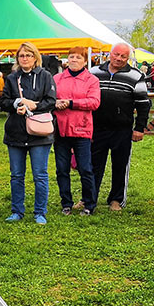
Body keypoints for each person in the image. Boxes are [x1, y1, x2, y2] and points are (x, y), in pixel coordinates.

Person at [89, 43, 151, 212]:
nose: (118, 58)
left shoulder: (135, 75)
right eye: (116, 54)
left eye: (123, 56)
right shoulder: (94, 72)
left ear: (128, 58)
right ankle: (89, 198)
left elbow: (143, 104)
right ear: (110, 54)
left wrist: (139, 127)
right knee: (92, 165)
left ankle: (116, 200)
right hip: (96, 128)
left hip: (122, 129)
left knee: (120, 165)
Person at [0, 42, 56, 224]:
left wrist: (35, 105)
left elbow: (51, 100)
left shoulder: (45, 76)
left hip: (39, 133)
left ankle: (40, 211)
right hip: (16, 132)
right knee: (16, 174)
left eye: (28, 55)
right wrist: (17, 104)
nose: (25, 58)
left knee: (40, 174)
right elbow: (4, 101)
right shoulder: (11, 78)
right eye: (21, 55)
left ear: (35, 58)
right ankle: (17, 210)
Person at [53, 46, 101, 215]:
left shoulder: (92, 80)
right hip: (60, 129)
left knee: (85, 168)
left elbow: (94, 102)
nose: (74, 60)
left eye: (78, 57)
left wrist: (71, 103)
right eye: (71, 57)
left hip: (81, 129)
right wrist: (56, 103)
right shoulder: (57, 78)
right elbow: (50, 98)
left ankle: (89, 203)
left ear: (85, 61)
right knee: (62, 168)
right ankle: (66, 202)